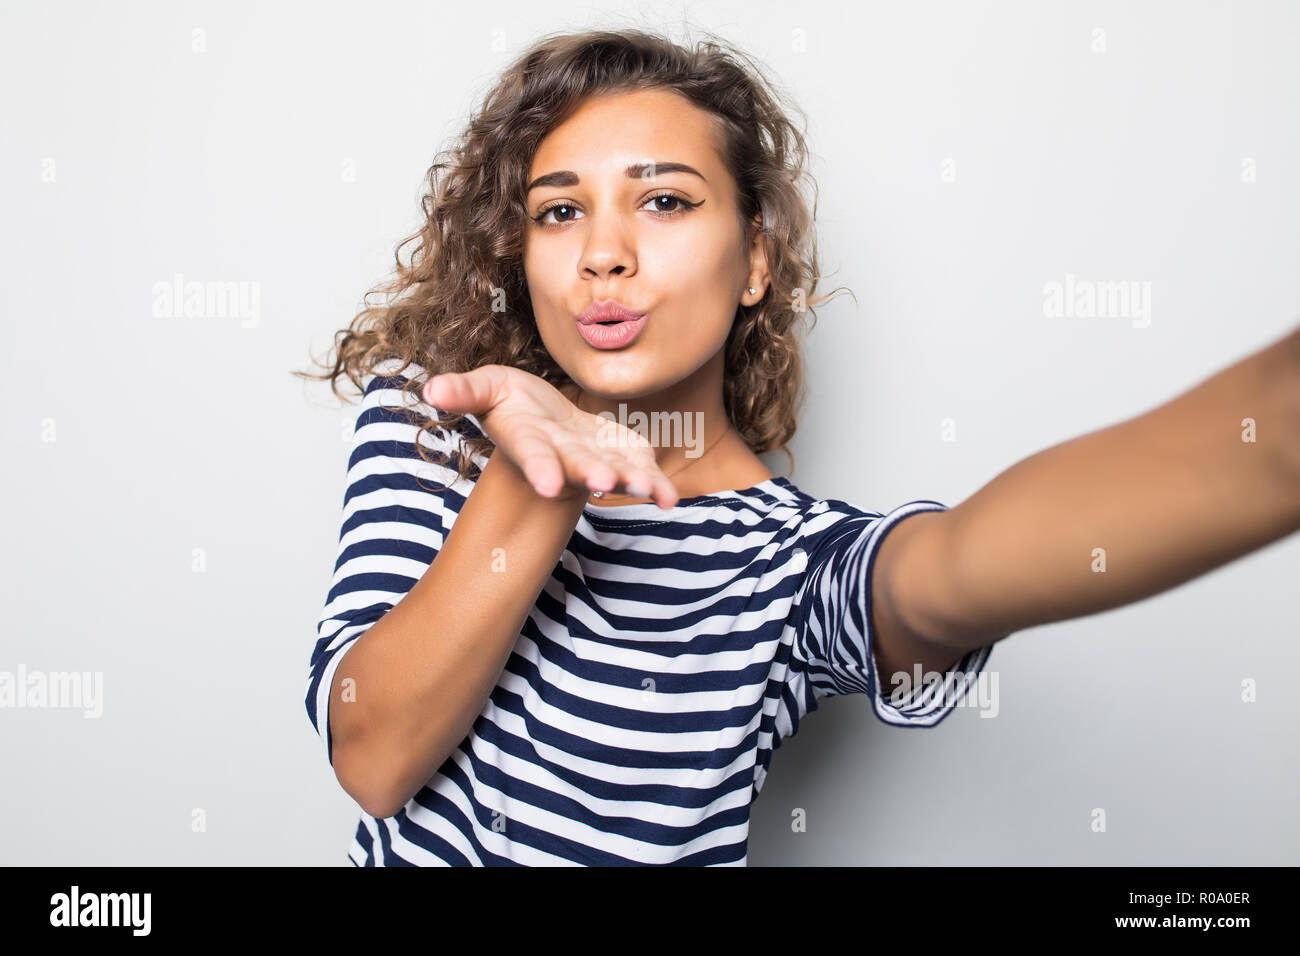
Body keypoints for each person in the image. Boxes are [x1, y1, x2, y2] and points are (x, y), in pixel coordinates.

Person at [295, 28, 1300, 866]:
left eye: (664, 200)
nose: (602, 252)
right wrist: (537, 477)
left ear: (756, 259)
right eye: (560, 211)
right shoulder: (438, 422)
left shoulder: (791, 562)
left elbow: (954, 568)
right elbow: (373, 752)